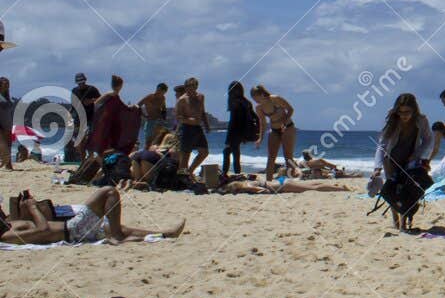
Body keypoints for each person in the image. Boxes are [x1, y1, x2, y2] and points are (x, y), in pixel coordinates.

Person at [1, 186, 185, 245]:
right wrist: (33, 208)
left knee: (119, 227)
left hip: (73, 229)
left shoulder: (9, 226)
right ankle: (116, 237)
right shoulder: (5, 235)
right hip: (72, 231)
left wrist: (24, 206)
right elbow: (43, 229)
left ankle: (164, 234)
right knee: (109, 192)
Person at [374, 93, 431, 230]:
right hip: (391, 159)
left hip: (410, 159)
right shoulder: (391, 118)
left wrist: (418, 155)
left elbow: (428, 139)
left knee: (407, 190)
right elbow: (382, 144)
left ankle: (404, 223)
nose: (404, 115)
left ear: (414, 110)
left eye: (407, 112)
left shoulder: (421, 120)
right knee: (392, 190)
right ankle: (395, 220)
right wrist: (377, 167)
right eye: (400, 112)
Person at [175, 78, 210, 173]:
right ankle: (182, 179)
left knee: (204, 152)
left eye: (193, 86)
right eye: (188, 86)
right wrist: (189, 120)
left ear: (196, 86)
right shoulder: (182, 100)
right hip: (187, 128)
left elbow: (202, 111)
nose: (190, 88)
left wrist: (206, 125)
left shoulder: (201, 96)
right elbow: (178, 116)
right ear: (185, 87)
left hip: (198, 128)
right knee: (185, 155)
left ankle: (190, 171)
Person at [222, 81, 255, 176]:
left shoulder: (235, 102)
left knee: (227, 152)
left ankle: (225, 174)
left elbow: (233, 122)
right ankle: (237, 173)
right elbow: (248, 120)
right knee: (236, 153)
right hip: (242, 132)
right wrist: (245, 135)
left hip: (234, 132)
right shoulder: (246, 102)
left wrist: (228, 139)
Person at [67, 72, 100, 161]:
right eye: (79, 83)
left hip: (91, 118)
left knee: (89, 138)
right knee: (79, 141)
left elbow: (101, 100)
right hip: (78, 119)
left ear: (85, 81)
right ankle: (83, 160)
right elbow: (73, 105)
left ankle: (91, 157)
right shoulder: (74, 91)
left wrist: (91, 101)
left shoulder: (92, 89)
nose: (81, 84)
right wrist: (69, 114)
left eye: (82, 82)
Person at [137, 83, 169, 149]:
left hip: (159, 122)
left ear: (164, 92)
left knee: (156, 142)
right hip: (150, 121)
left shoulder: (163, 98)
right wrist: (144, 115)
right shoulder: (149, 97)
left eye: (161, 91)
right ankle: (144, 155)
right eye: (158, 90)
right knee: (148, 142)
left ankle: (151, 155)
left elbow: (164, 108)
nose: (158, 92)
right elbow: (138, 105)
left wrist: (164, 118)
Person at [0, 77, 15, 171]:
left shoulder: (7, 97)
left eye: (8, 84)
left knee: (9, 145)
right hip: (1, 124)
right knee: (3, 146)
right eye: (5, 84)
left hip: (8, 124)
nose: (7, 85)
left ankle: (8, 165)